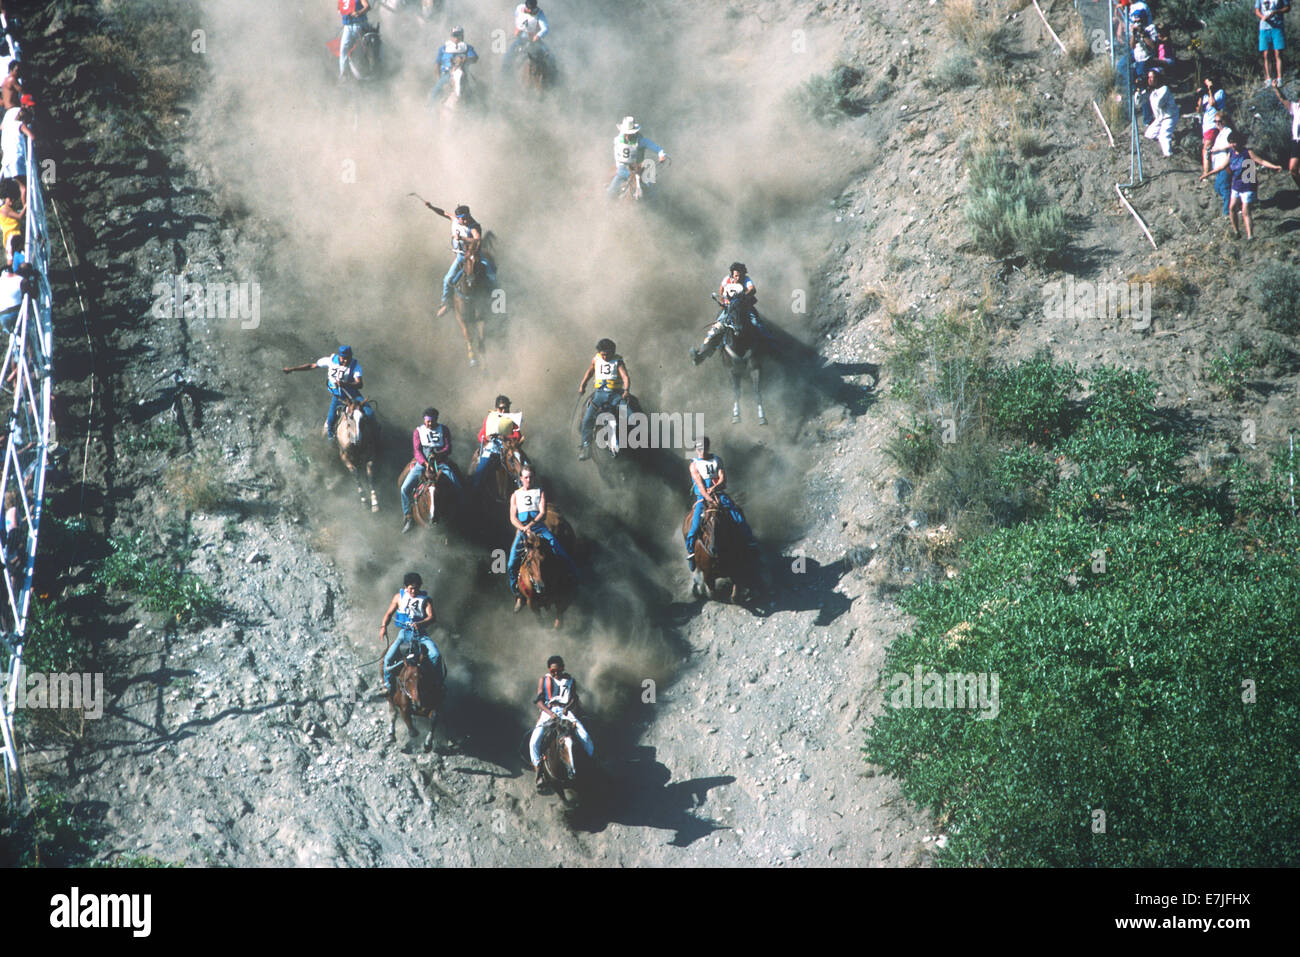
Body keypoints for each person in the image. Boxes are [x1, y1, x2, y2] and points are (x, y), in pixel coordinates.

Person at [507, 466, 578, 609]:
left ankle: (574, 578)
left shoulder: (540, 492)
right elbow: (512, 518)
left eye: (530, 477)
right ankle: (518, 594)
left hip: (539, 528)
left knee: (559, 551)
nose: (528, 480)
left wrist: (530, 526)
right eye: (526, 477)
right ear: (521, 478)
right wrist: (523, 528)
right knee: (511, 563)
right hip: (522, 531)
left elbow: (542, 513)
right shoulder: (515, 495)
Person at [684, 436, 757, 572]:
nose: (701, 450)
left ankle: (750, 544)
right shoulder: (694, 465)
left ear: (708, 447)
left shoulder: (717, 460)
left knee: (738, 517)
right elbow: (700, 486)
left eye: (703, 447)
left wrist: (715, 488)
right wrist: (709, 498)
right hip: (703, 498)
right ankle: (692, 553)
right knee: (694, 526)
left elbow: (723, 479)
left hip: (719, 494)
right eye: (699, 448)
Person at [528, 655, 594, 788]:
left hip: (565, 712)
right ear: (549, 670)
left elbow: (574, 698)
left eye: (558, 670)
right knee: (533, 742)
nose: (556, 673)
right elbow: (539, 702)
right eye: (553, 671)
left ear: (563, 668)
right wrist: (550, 713)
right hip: (548, 712)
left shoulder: (570, 680)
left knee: (586, 737)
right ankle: (539, 771)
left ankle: (591, 764)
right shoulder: (544, 680)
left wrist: (567, 708)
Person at [281, 344, 375, 439]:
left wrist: (345, 384)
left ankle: (376, 437)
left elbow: (359, 384)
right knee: (330, 423)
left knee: (370, 414)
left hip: (353, 396)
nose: (346, 361)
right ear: (339, 356)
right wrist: (292, 369)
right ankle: (331, 442)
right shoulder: (330, 360)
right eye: (344, 358)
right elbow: (311, 366)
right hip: (339, 398)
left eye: (348, 358)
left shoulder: (355, 366)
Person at [691, 262, 770, 364]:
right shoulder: (727, 280)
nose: (738, 278)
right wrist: (723, 302)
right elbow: (721, 289)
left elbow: (752, 289)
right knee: (716, 329)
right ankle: (701, 355)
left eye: (740, 275)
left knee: (757, 325)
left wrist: (743, 296)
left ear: (744, 274)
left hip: (745, 308)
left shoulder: (747, 280)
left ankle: (770, 348)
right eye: (736, 275)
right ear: (732, 274)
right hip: (729, 309)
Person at [378, 572, 444, 695]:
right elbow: (388, 614)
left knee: (436, 655)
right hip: (404, 634)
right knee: (388, 658)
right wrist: (383, 626)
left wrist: (421, 623)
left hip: (421, 635)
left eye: (416, 588)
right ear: (406, 587)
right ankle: (387, 686)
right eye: (411, 588)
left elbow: (432, 617)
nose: (413, 591)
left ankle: (438, 683)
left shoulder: (426, 600)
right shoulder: (398, 597)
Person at [429, 204, 497, 317]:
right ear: (458, 218)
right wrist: (431, 207)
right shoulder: (455, 220)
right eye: (463, 219)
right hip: (461, 257)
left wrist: (461, 238)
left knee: (492, 276)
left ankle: (498, 304)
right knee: (447, 279)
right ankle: (446, 303)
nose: (466, 220)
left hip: (474, 255)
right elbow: (443, 213)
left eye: (467, 217)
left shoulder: (473, 227)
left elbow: (477, 239)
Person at [401, 407, 460, 532]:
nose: (429, 423)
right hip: (422, 464)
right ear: (424, 420)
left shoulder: (444, 429)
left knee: (458, 487)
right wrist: (425, 463)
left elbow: (448, 448)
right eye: (427, 421)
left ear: (436, 419)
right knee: (404, 489)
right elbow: (417, 450)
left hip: (441, 463)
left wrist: (438, 454)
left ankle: (460, 515)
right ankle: (408, 517)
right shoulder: (418, 431)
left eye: (432, 421)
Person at [577, 338, 630, 460]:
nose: (605, 357)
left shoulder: (618, 361)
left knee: (630, 416)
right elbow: (589, 372)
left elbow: (625, 377)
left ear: (612, 352)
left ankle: (638, 441)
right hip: (599, 395)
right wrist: (582, 385)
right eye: (603, 354)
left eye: (607, 354)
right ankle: (586, 447)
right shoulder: (596, 359)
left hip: (615, 394)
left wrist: (626, 390)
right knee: (587, 420)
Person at [1224, 132, 1282, 238]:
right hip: (1236, 185)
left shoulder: (1248, 152)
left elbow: (1261, 161)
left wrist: (1274, 166)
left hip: (1248, 185)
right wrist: (1207, 173)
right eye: (1230, 142)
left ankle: (1250, 236)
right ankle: (1236, 232)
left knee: (1245, 210)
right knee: (1232, 207)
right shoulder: (1231, 153)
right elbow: (1223, 166)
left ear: (1239, 142)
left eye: (1234, 142)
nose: (1232, 145)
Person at [607, 116, 669, 199]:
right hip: (623, 169)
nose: (628, 136)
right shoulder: (618, 140)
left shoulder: (641, 141)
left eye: (630, 134)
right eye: (626, 134)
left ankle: (655, 202)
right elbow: (616, 152)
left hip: (638, 169)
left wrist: (661, 155)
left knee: (651, 193)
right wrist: (618, 165)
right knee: (611, 192)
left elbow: (657, 148)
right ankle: (607, 204)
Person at [472, 394, 525, 490]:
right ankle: (474, 488)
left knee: (524, 463)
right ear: (496, 408)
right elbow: (481, 435)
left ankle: (525, 485)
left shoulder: (512, 419)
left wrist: (505, 437)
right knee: (481, 468)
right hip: (491, 446)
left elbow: (518, 435)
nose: (503, 411)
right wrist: (486, 438)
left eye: (506, 408)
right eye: (501, 408)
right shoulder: (489, 418)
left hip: (508, 446)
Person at [430, 26, 479, 103]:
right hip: (447, 74)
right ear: (451, 36)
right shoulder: (443, 48)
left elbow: (475, 58)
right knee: (436, 91)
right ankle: (430, 107)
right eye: (454, 35)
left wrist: (465, 59)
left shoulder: (467, 48)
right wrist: (439, 79)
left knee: (473, 93)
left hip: (463, 74)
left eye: (458, 35)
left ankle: (478, 108)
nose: (456, 38)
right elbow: (437, 64)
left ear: (462, 36)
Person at [502, 0, 550, 75]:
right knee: (508, 56)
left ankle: (554, 76)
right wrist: (517, 27)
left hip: (535, 40)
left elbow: (545, 28)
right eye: (528, 8)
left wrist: (538, 35)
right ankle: (505, 76)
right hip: (522, 38)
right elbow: (517, 18)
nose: (530, 10)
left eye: (532, 9)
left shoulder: (540, 14)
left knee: (550, 56)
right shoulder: (519, 8)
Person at [1203, 112, 1235, 218]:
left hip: (1225, 165)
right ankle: (1235, 202)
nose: (1217, 123)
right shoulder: (1219, 134)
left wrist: (1218, 148)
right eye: (1215, 121)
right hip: (1218, 166)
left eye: (1219, 121)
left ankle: (1227, 212)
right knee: (1218, 187)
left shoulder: (1228, 131)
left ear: (1224, 121)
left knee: (1224, 188)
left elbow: (1232, 144)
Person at [1144, 70, 1179, 157]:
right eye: (1148, 77)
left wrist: (1151, 92)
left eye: (1152, 77)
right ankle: (1171, 138)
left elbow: (1159, 104)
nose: (1150, 80)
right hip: (1160, 118)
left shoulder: (1164, 89)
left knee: (1164, 137)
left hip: (1169, 117)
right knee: (1149, 134)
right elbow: (1138, 102)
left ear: (1157, 78)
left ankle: (1169, 155)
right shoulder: (1153, 92)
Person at [1256, 0, 1290, 88]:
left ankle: (1280, 78)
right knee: (1266, 54)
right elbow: (1257, 10)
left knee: (1278, 53)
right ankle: (1268, 79)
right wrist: (1263, 17)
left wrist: (1276, 12)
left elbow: (1287, 8)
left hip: (1277, 27)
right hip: (1264, 28)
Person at [337, 0, 372, 82]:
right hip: (347, 27)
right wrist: (341, 12)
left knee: (363, 49)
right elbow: (339, 9)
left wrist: (359, 12)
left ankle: (370, 71)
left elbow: (367, 7)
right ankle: (344, 75)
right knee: (343, 50)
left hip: (360, 24)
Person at [1273, 82, 1300, 187]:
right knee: (1293, 169)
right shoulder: (1296, 107)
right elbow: (1283, 99)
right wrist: (1276, 88)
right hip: (1296, 141)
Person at [1199, 79, 1227, 176]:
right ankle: (1212, 170)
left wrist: (1210, 90)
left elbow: (1213, 103)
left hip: (1214, 124)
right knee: (1209, 149)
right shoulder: (1205, 96)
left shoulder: (1220, 92)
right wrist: (1200, 96)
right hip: (1206, 126)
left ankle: (1206, 173)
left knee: (1207, 148)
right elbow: (1199, 109)